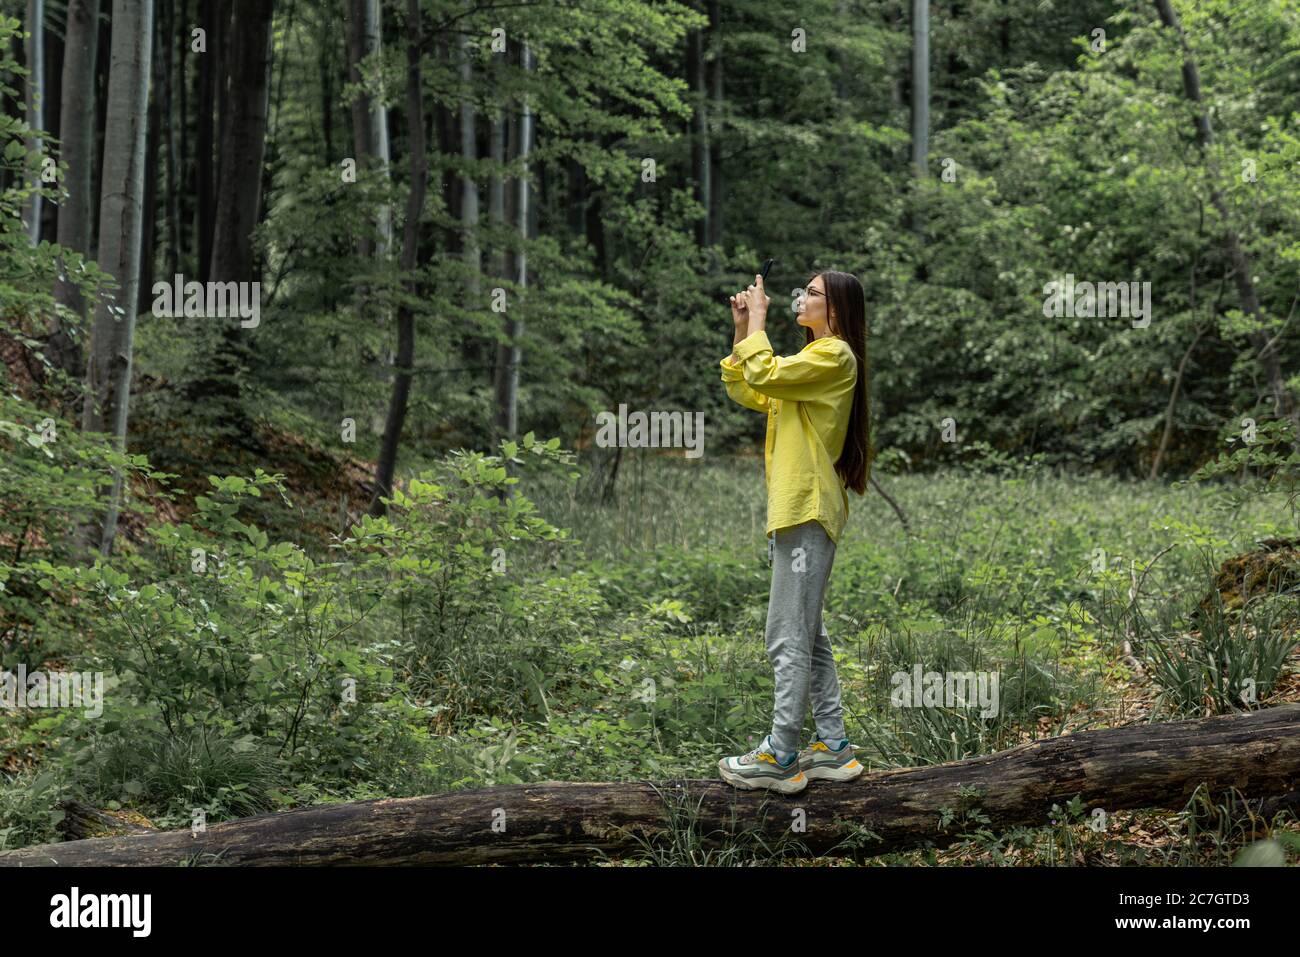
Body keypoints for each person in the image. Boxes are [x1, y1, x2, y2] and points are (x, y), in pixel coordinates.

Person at [716, 270, 874, 793]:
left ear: (836, 309)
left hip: (806, 508)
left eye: (812, 293)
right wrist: (744, 332)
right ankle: (833, 745)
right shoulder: (808, 365)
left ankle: (782, 754)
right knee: (809, 635)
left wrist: (758, 323)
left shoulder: (835, 356)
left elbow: (764, 374)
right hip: (798, 510)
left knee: (785, 635)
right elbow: (752, 386)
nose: (800, 299)